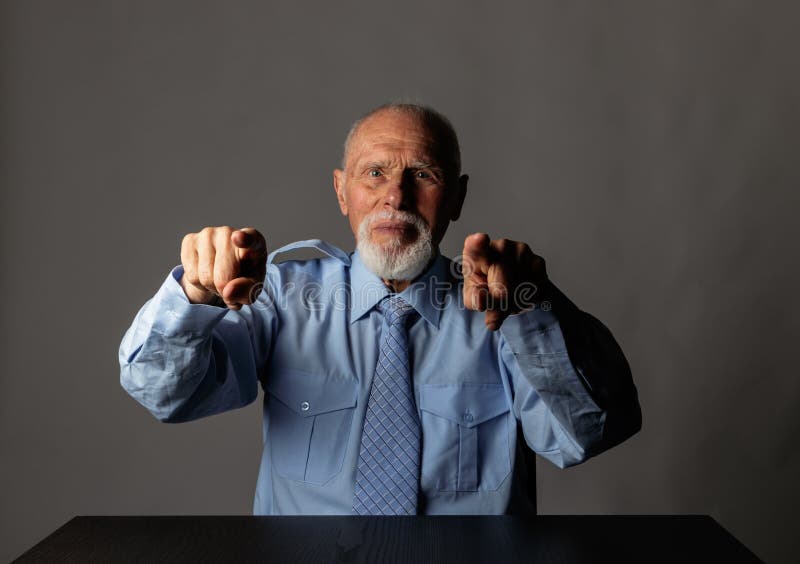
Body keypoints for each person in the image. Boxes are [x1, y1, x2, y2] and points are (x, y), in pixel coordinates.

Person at [119, 103, 641, 515]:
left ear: (456, 199)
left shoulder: (505, 307)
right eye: (373, 173)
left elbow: (586, 435)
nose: (396, 195)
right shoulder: (280, 296)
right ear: (342, 191)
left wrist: (535, 309)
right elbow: (166, 394)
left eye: (423, 174)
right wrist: (196, 297)